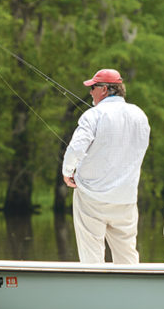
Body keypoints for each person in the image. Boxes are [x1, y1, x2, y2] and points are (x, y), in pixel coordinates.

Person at [62, 69, 150, 264]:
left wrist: (67, 172)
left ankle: (94, 291)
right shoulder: (140, 115)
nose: (90, 92)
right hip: (125, 199)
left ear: (104, 89)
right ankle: (131, 292)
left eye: (92, 88)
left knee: (91, 255)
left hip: (92, 198)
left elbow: (75, 149)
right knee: (127, 256)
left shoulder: (92, 115)